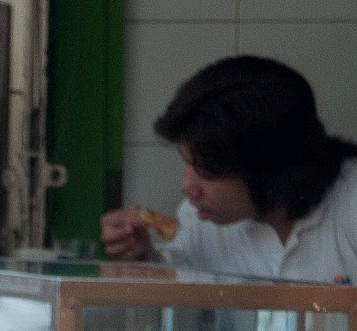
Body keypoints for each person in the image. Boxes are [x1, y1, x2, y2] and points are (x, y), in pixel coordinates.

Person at [103, 57, 357, 281]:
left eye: (208, 170)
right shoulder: (200, 219)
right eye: (187, 162)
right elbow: (182, 289)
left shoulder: (349, 206)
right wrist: (144, 259)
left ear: (266, 169)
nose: (187, 188)